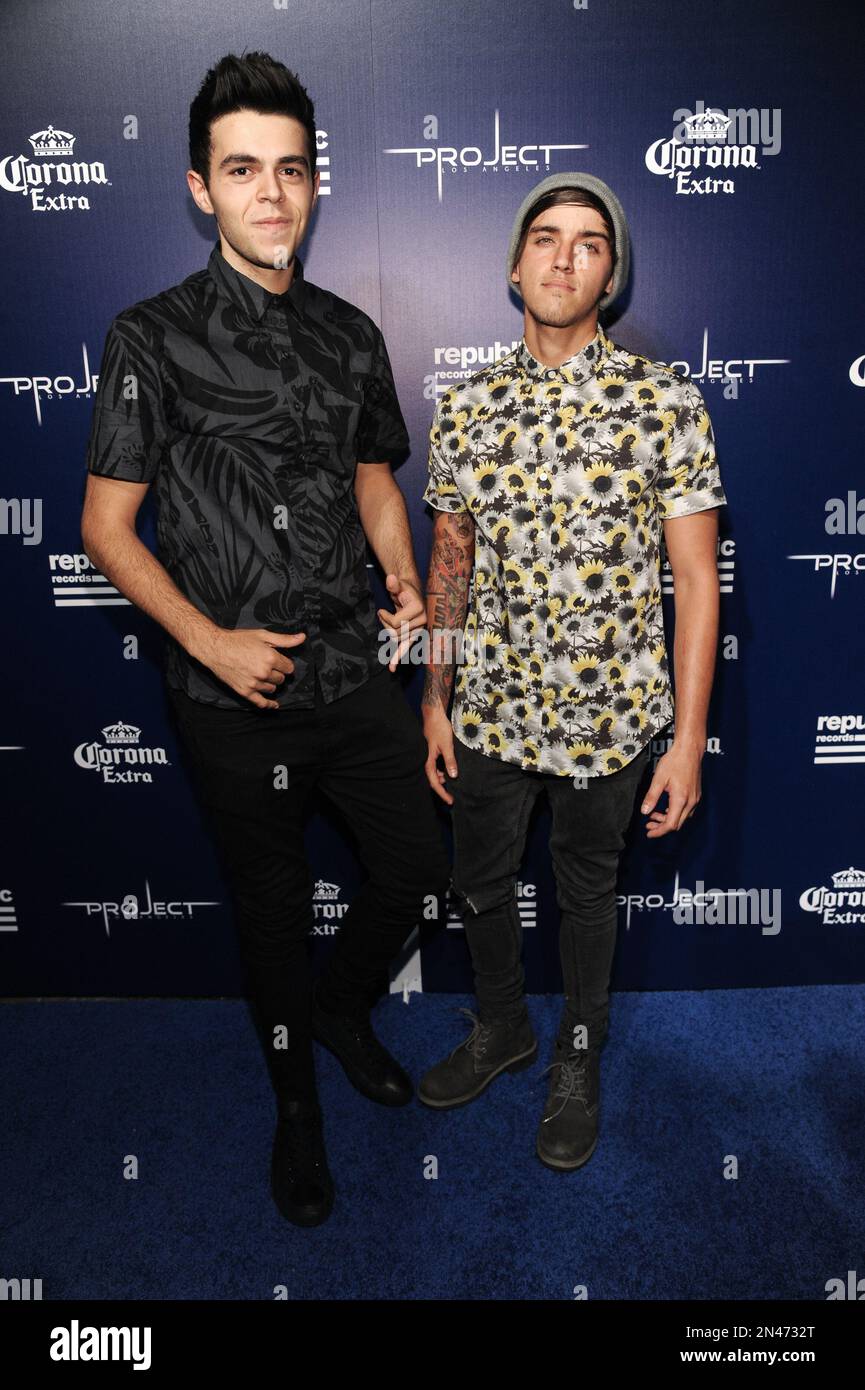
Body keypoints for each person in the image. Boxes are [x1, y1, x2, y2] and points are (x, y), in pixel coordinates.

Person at [80, 51, 449, 1226]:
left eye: (290, 170)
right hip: (230, 695)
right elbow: (105, 527)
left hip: (350, 670)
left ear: (313, 184)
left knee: (416, 866)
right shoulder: (148, 336)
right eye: (245, 170)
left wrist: (397, 562)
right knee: (272, 915)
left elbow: (375, 478)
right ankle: (297, 1108)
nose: (272, 194)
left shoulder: (348, 333)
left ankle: (345, 1010)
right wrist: (212, 641)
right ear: (202, 188)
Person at [418, 172, 727, 1171]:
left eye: (587, 242)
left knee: (587, 895)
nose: (562, 255)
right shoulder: (464, 409)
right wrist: (435, 698)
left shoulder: (665, 403)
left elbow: (694, 579)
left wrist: (685, 738)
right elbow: (450, 566)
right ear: (514, 265)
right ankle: (503, 1028)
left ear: (610, 273)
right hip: (492, 710)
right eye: (544, 238)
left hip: (610, 722)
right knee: (478, 880)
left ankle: (577, 1059)